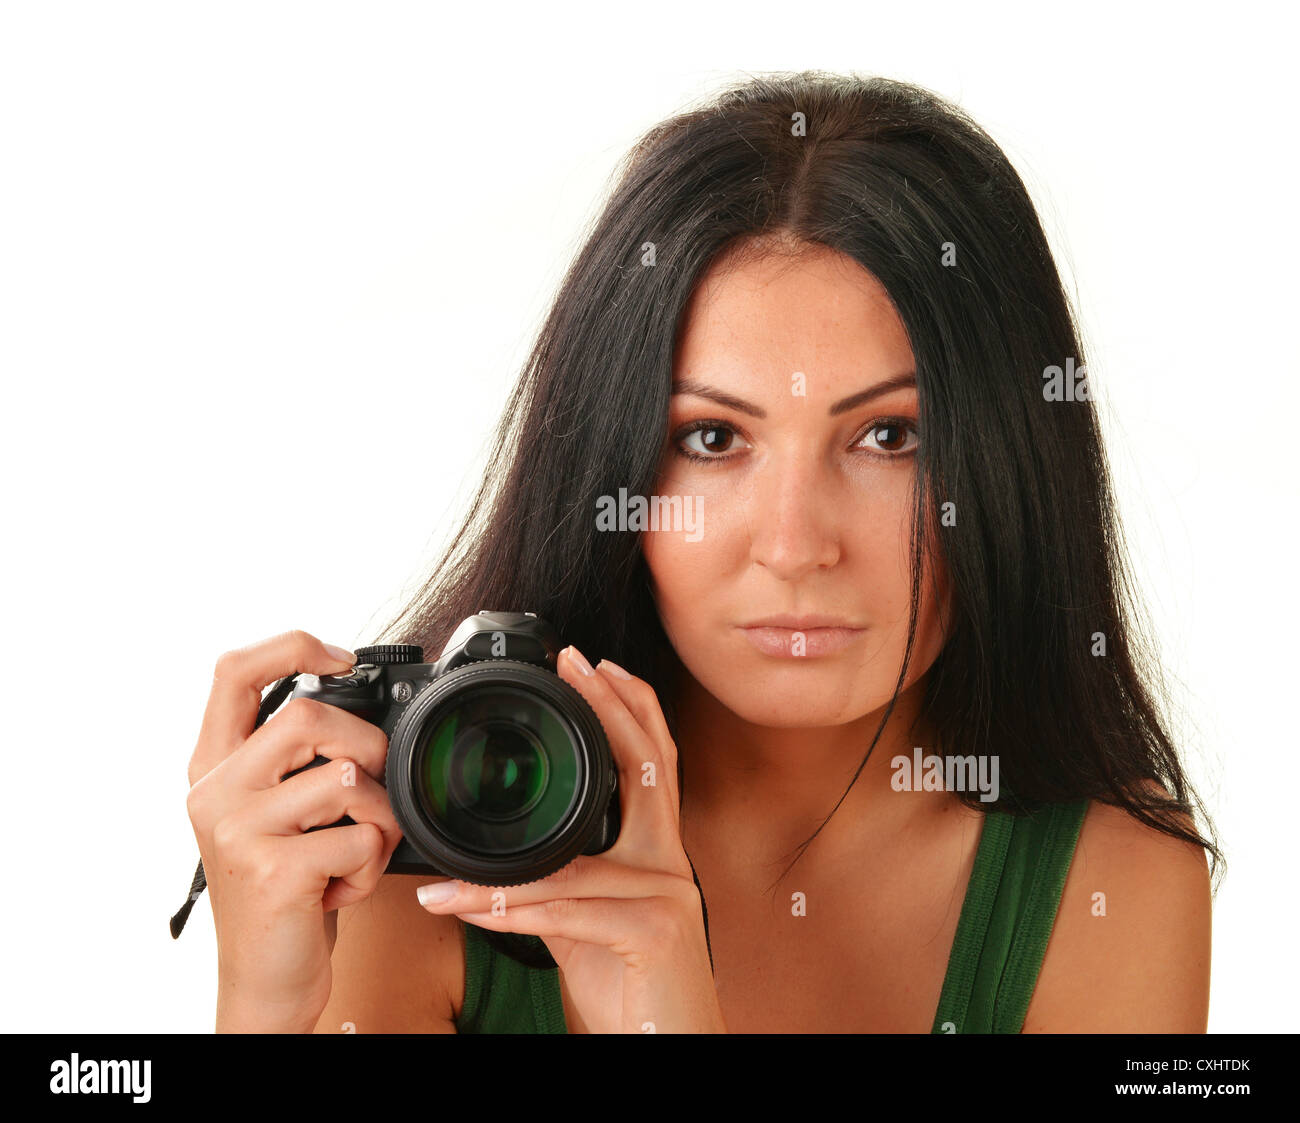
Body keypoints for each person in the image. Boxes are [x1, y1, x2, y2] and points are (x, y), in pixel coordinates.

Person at [184, 71, 1218, 1034]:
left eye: (890, 437)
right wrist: (261, 1007)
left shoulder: (1111, 881)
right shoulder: (431, 834)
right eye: (713, 440)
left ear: (1010, 462)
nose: (794, 544)